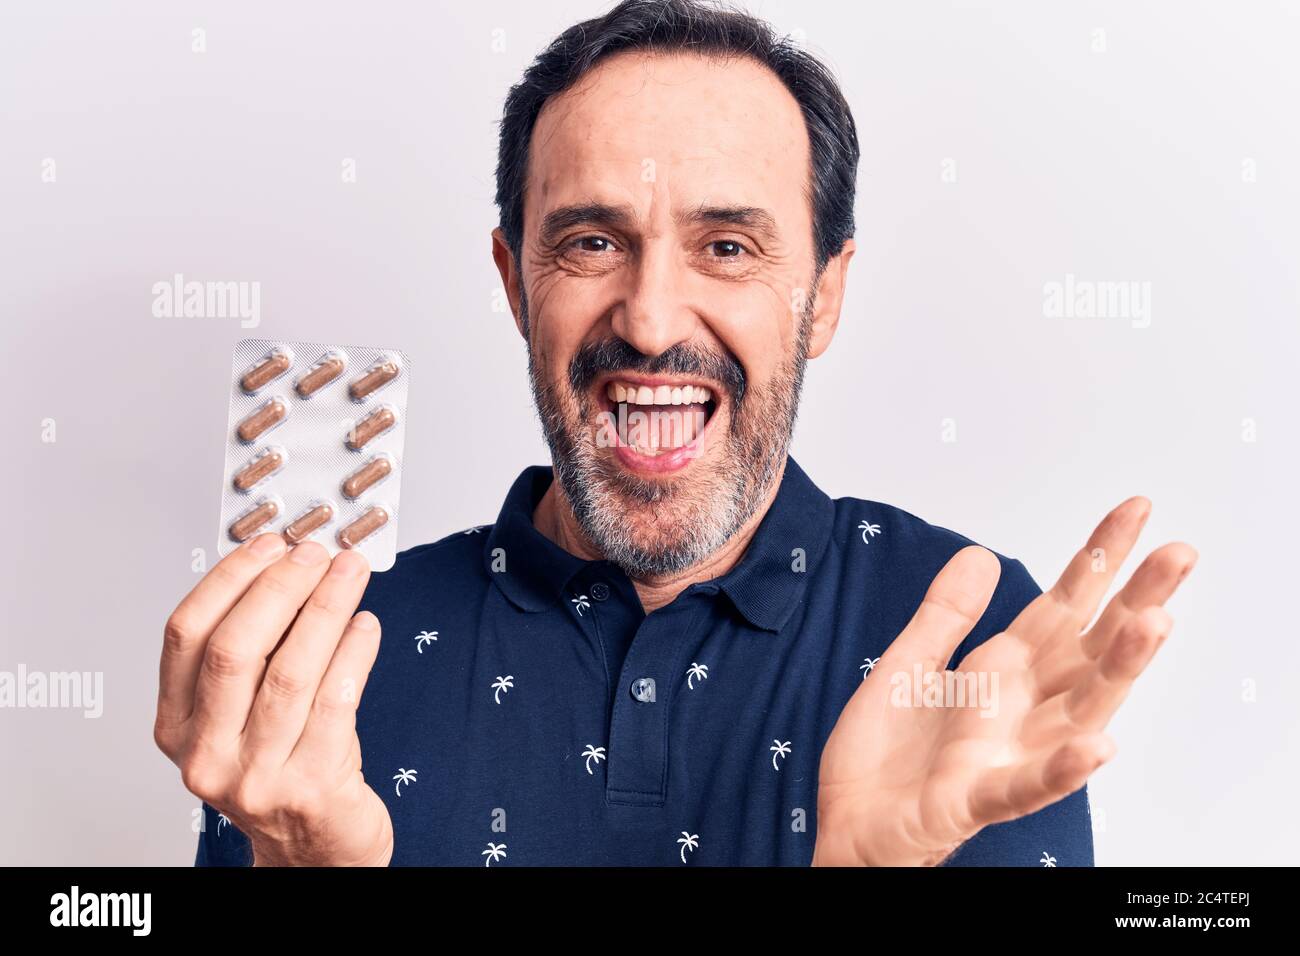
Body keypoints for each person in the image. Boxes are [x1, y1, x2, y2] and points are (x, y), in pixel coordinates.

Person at [154, 0, 1195, 866]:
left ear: (823, 295)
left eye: (727, 244)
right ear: (516, 284)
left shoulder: (963, 632)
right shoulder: (323, 658)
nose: (649, 319)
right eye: (593, 240)